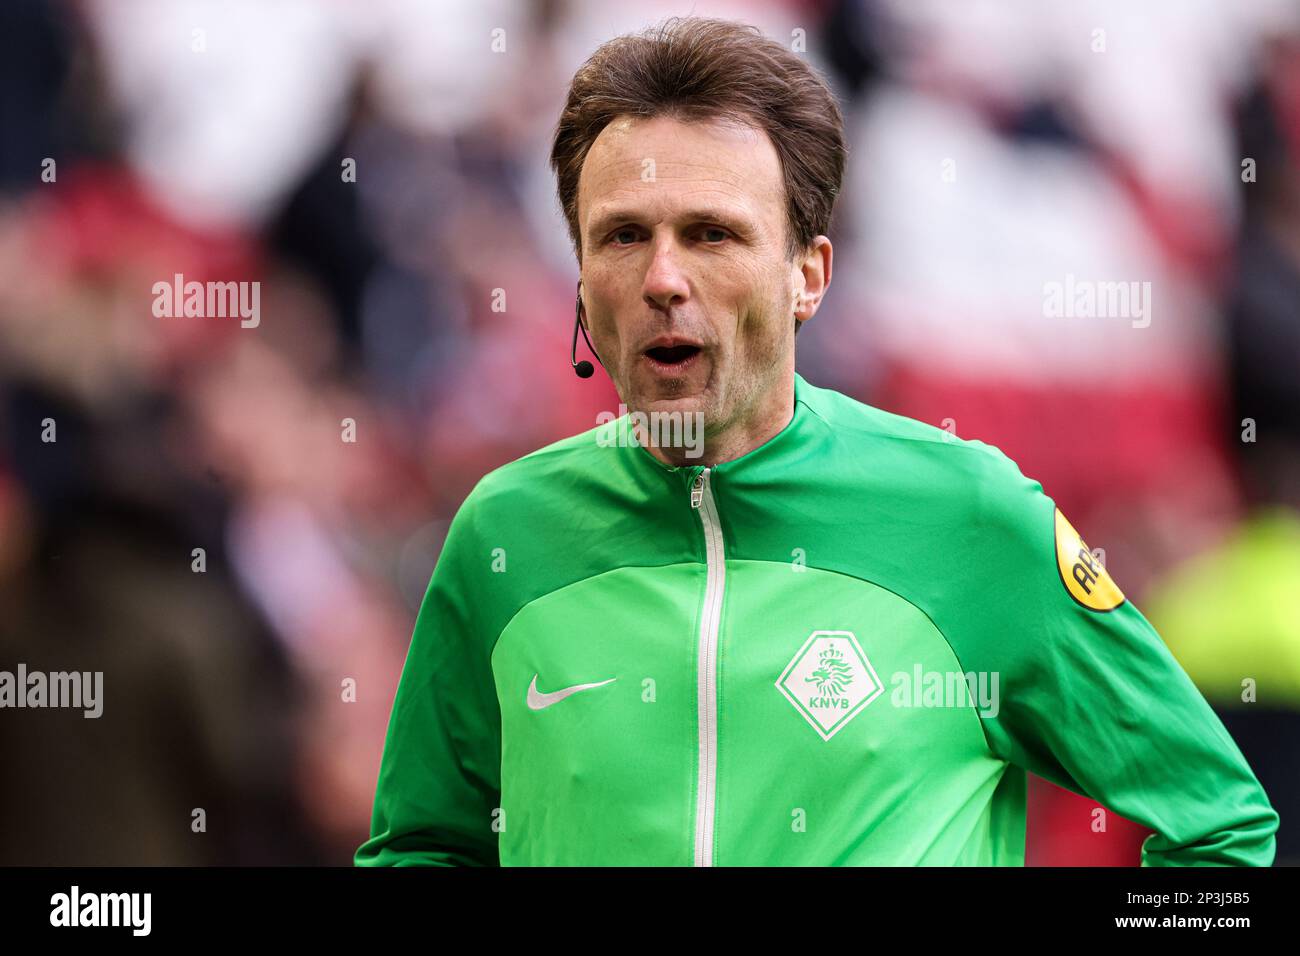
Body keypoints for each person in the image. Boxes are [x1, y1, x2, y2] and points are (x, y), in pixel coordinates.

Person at [355, 17, 1277, 866]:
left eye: (712, 235)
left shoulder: (974, 518)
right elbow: (421, 847)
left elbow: (1220, 828)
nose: (664, 277)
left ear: (808, 274)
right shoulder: (502, 536)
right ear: (583, 279)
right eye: (623, 237)